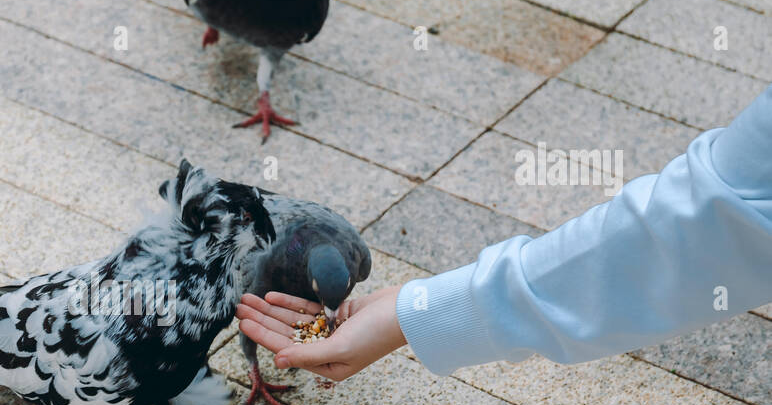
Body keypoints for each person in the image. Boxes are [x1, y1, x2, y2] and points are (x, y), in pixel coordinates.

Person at [237, 84, 772, 382]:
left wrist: (419, 311)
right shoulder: (274, 256)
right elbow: (715, 211)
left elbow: (709, 215)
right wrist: (412, 312)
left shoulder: (351, 252)